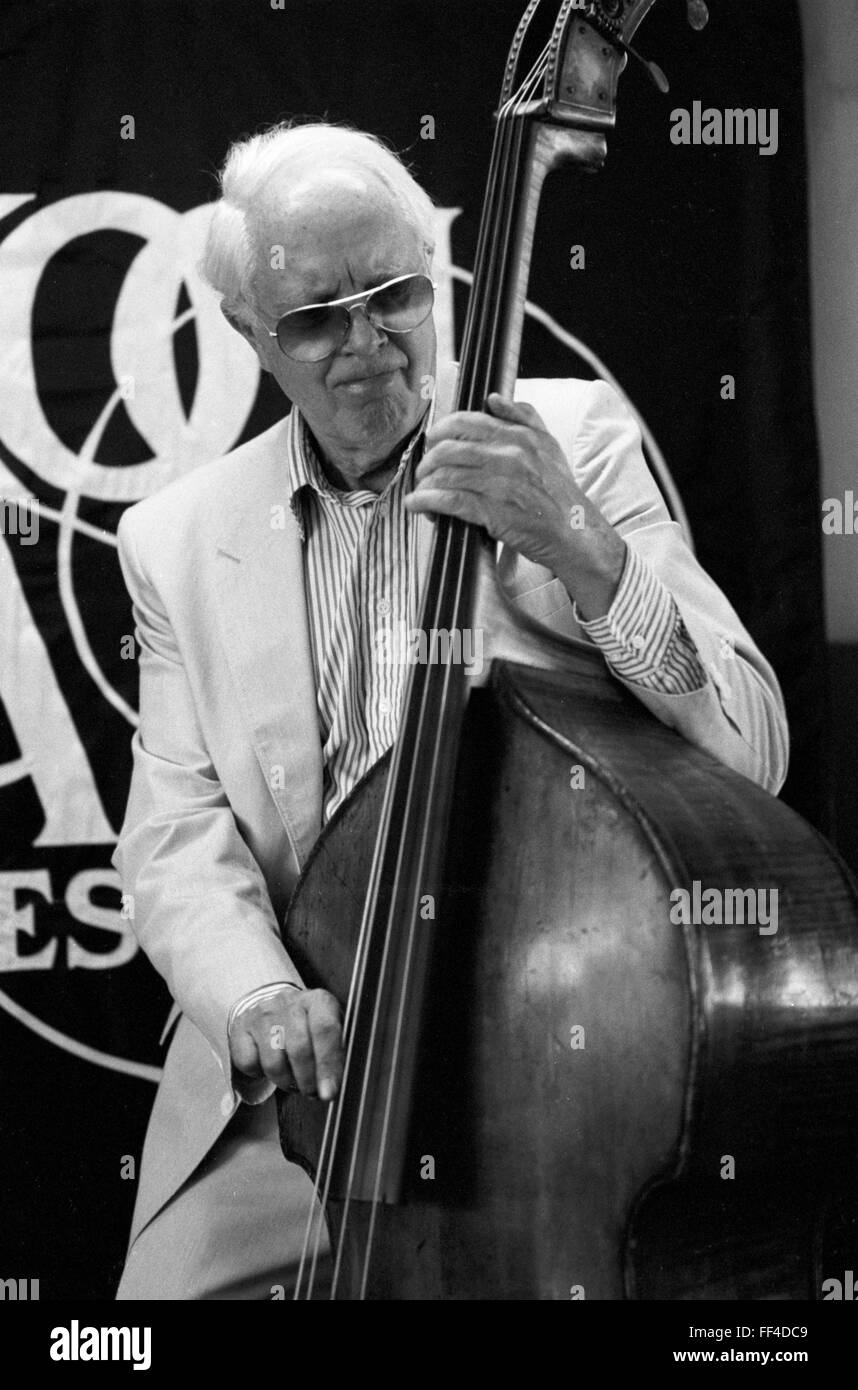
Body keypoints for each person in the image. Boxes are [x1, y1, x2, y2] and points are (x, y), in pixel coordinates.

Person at [112, 121, 788, 1299]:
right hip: (298, 1095)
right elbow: (176, 839)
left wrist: (581, 546)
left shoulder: (572, 439)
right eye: (318, 318)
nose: (370, 346)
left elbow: (755, 751)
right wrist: (257, 994)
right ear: (247, 333)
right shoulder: (171, 542)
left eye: (397, 295)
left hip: (544, 1068)